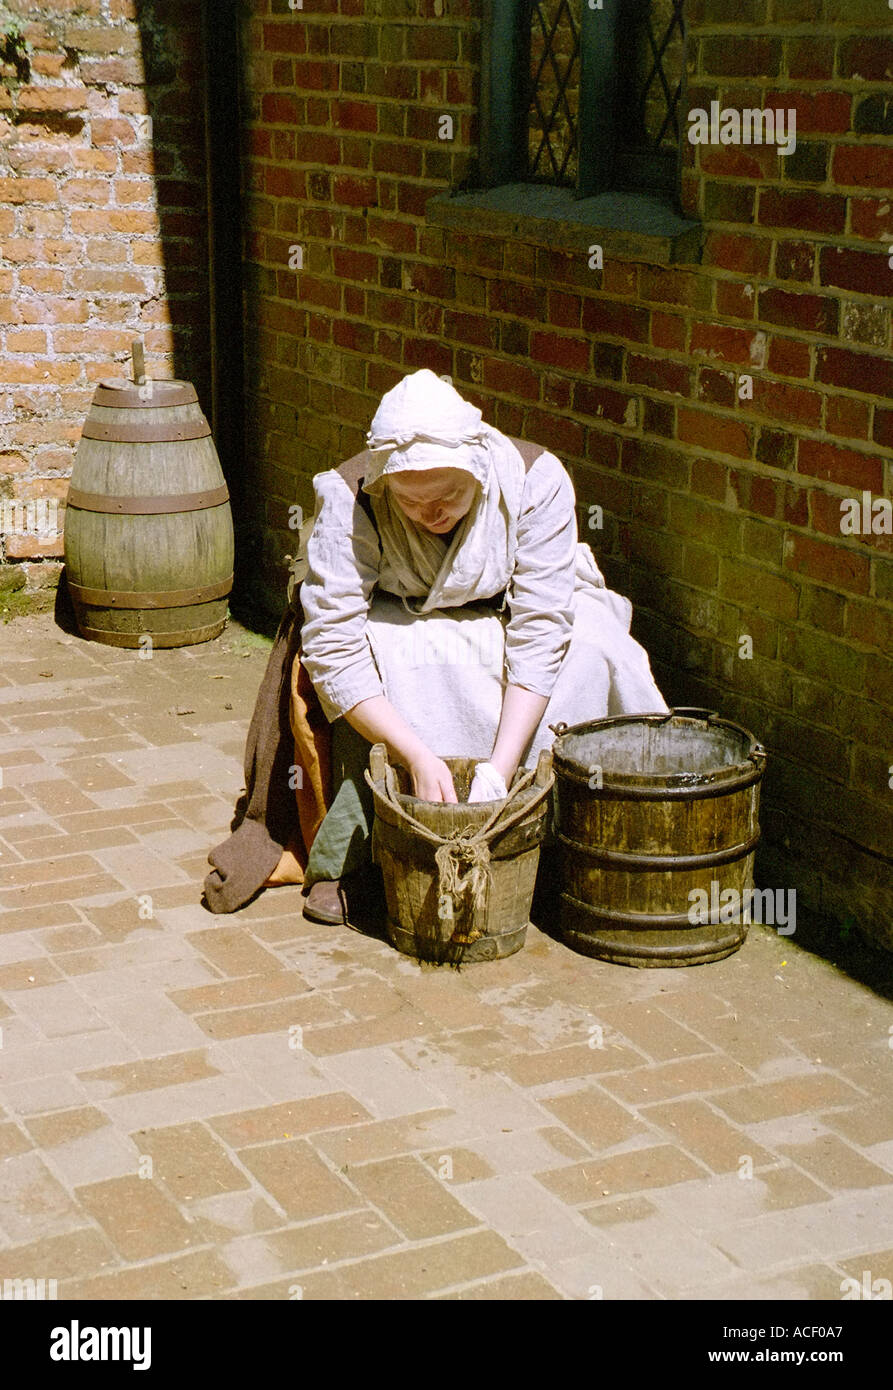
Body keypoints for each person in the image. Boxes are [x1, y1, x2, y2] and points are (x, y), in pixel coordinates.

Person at [262, 368, 669, 928]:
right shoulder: (349, 496)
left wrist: (499, 770)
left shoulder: (535, 479)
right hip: (401, 610)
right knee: (389, 660)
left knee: (597, 651)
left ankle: (562, 839)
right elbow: (335, 644)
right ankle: (362, 852)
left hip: (509, 605)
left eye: (450, 496)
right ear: (385, 485)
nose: (433, 514)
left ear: (478, 469)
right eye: (411, 502)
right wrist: (417, 755)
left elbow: (541, 625)